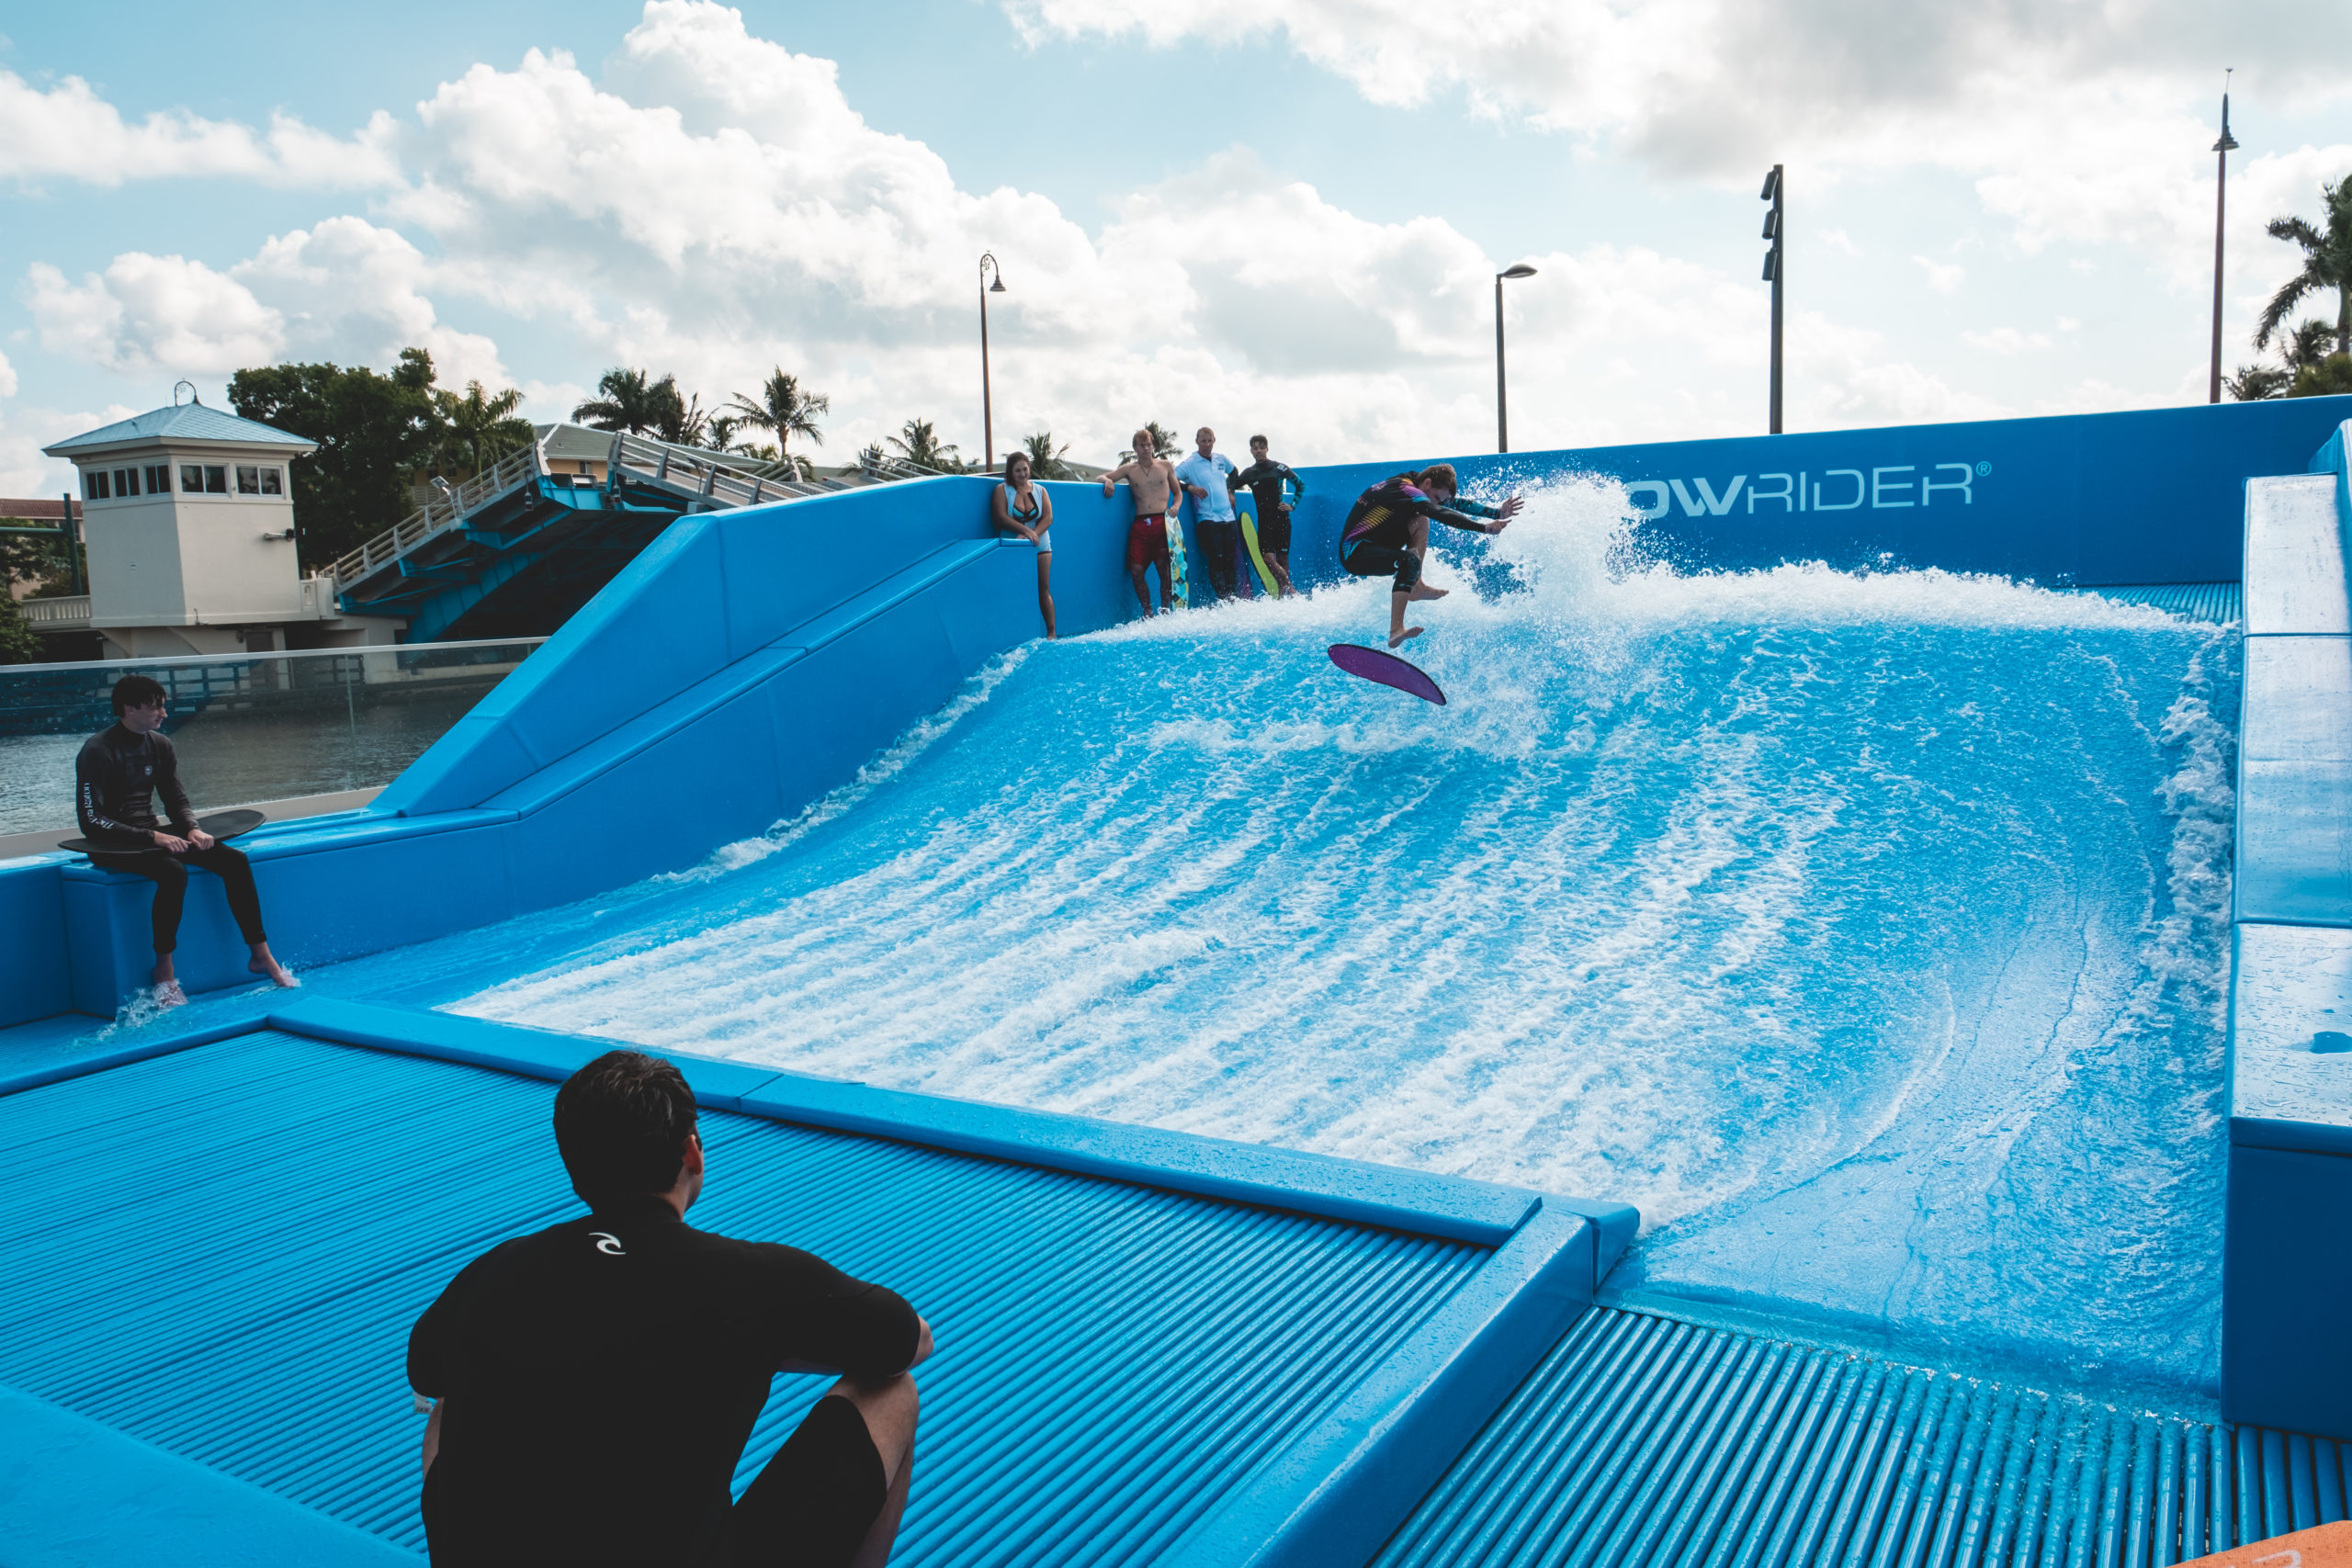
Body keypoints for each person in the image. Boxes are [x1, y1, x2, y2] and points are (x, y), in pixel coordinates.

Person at [410, 1049, 933, 1568]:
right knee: (891, 1389)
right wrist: (766, 1343)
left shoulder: (498, 1267)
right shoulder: (750, 1280)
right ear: (691, 1153)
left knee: (446, 1401)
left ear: (574, 1170)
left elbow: (425, 1369)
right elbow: (910, 1340)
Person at [74, 673, 294, 1007]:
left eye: (163, 706)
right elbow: (91, 821)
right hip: (113, 843)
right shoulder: (97, 749)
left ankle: (261, 955)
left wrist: (190, 828)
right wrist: (153, 836)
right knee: (172, 871)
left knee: (234, 860)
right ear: (128, 709)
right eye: (155, 708)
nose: (163, 714)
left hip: (153, 834)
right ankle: (164, 971)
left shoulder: (159, 744)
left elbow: (175, 798)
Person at [1339, 464, 1524, 648]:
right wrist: (1483, 528)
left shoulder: (1414, 481)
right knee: (1409, 560)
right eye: (1435, 497)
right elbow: (1440, 513)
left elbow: (1455, 504)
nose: (1436, 502)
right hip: (1355, 553)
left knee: (1421, 520)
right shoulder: (1405, 489)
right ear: (1427, 483)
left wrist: (1496, 513)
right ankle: (1396, 631)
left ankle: (1416, 585)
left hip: (1378, 541)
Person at [1101, 429, 1182, 615]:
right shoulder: (1130, 469)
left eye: (1148, 445)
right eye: (1141, 445)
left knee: (1164, 568)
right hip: (1140, 524)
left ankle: (1165, 609)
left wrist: (1176, 506)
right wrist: (1108, 481)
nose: (1145, 449)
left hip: (1162, 523)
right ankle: (1147, 611)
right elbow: (1102, 476)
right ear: (1135, 448)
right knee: (1136, 570)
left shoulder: (1165, 466)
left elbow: (1178, 493)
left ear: (1153, 446)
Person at [1174, 427, 1244, 602]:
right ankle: (1223, 597)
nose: (1206, 444)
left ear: (1214, 441)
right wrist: (1190, 488)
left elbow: (1234, 472)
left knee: (1230, 558)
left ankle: (1233, 595)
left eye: (1209, 441)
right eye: (1203, 441)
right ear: (1197, 442)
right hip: (1207, 518)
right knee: (1217, 558)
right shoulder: (1190, 463)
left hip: (1228, 516)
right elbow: (1172, 478)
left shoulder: (1220, 459)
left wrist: (1230, 490)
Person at [1228, 435, 1304, 597]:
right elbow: (1232, 484)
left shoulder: (1279, 468)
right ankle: (1290, 588)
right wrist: (1230, 492)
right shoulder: (1249, 473)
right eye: (1255, 448)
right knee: (1268, 559)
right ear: (1251, 451)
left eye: (1261, 447)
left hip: (1282, 520)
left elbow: (1300, 484)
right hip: (1264, 523)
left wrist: (1292, 505)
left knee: (1283, 560)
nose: (1259, 451)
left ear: (1267, 449)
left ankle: (1283, 597)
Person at [992, 450, 1057, 638]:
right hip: (1013, 542)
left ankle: (1052, 633)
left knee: (1043, 589)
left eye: (1025, 469)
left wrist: (1033, 533)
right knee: (1014, 589)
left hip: (1040, 542)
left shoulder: (1040, 490)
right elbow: (1001, 517)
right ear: (1010, 472)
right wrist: (1026, 532)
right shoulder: (1002, 490)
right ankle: (1015, 634)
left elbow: (1048, 518)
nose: (1022, 474)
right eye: (1017, 470)